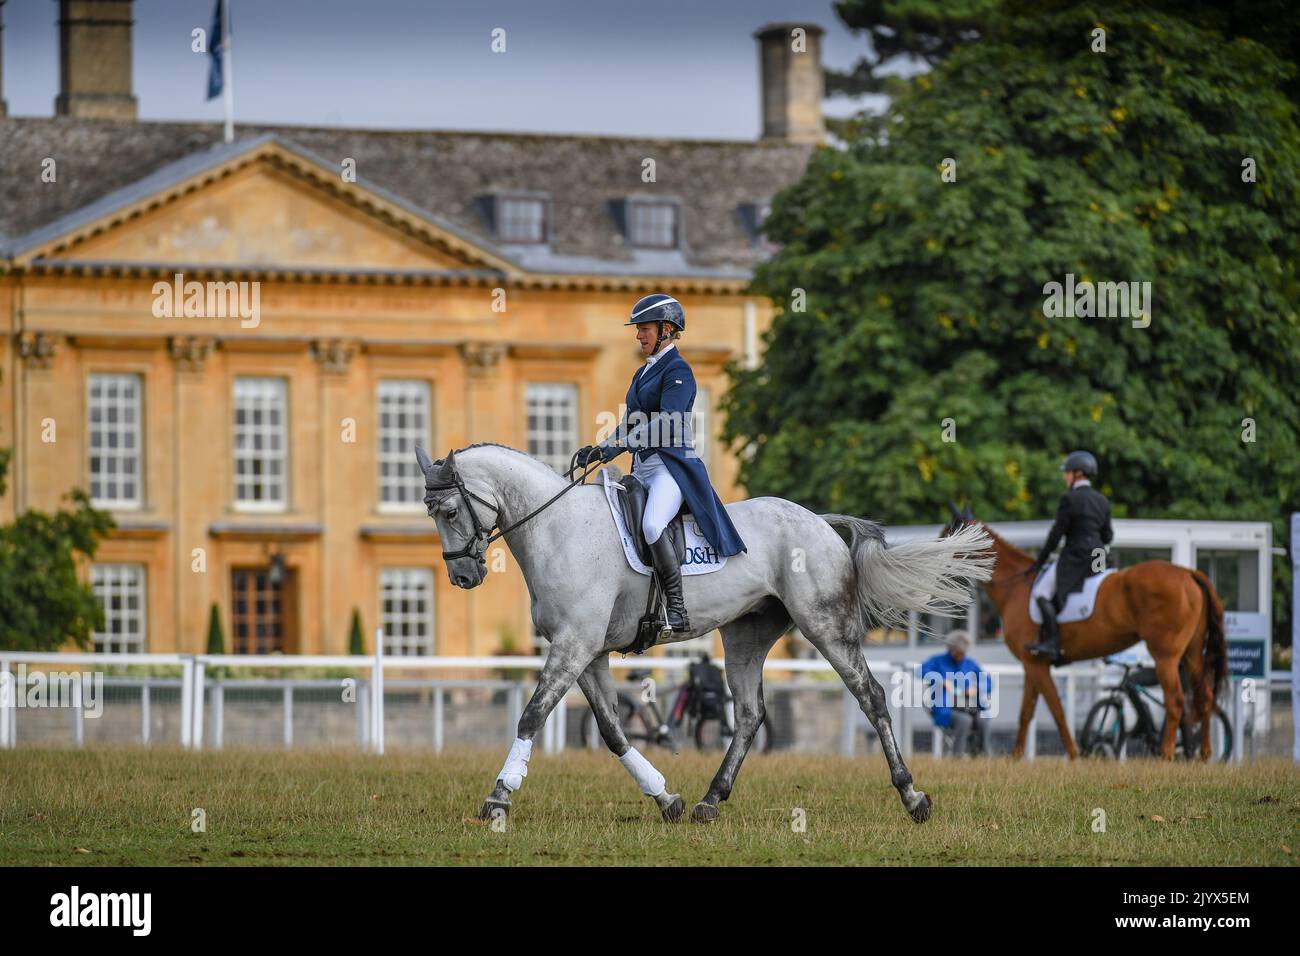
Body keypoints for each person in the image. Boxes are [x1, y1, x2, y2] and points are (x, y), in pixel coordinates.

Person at [575, 293, 747, 631]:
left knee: (653, 525)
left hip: (671, 468)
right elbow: (631, 422)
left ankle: (677, 608)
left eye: (645, 329)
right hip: (642, 469)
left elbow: (668, 422)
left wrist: (623, 444)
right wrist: (601, 449)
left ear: (666, 329)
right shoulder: (642, 373)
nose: (639, 336)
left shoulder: (678, 370)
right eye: (638, 330)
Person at [1024, 450, 1114, 663]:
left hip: (1076, 555)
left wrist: (1039, 561)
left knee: (1041, 593)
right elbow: (1108, 536)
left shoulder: (1070, 499)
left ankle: (1052, 643)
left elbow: (1056, 535)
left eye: (1067, 473)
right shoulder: (1102, 501)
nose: (1065, 477)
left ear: (1078, 474)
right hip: (1098, 555)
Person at [919, 630, 989, 756]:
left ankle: (981, 756)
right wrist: (941, 680)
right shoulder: (938, 661)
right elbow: (920, 670)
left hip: (968, 707)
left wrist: (977, 688)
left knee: (983, 720)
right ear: (951, 649)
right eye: (958, 652)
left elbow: (988, 682)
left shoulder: (970, 664)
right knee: (964, 720)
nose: (961, 656)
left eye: (963, 653)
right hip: (945, 710)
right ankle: (957, 757)